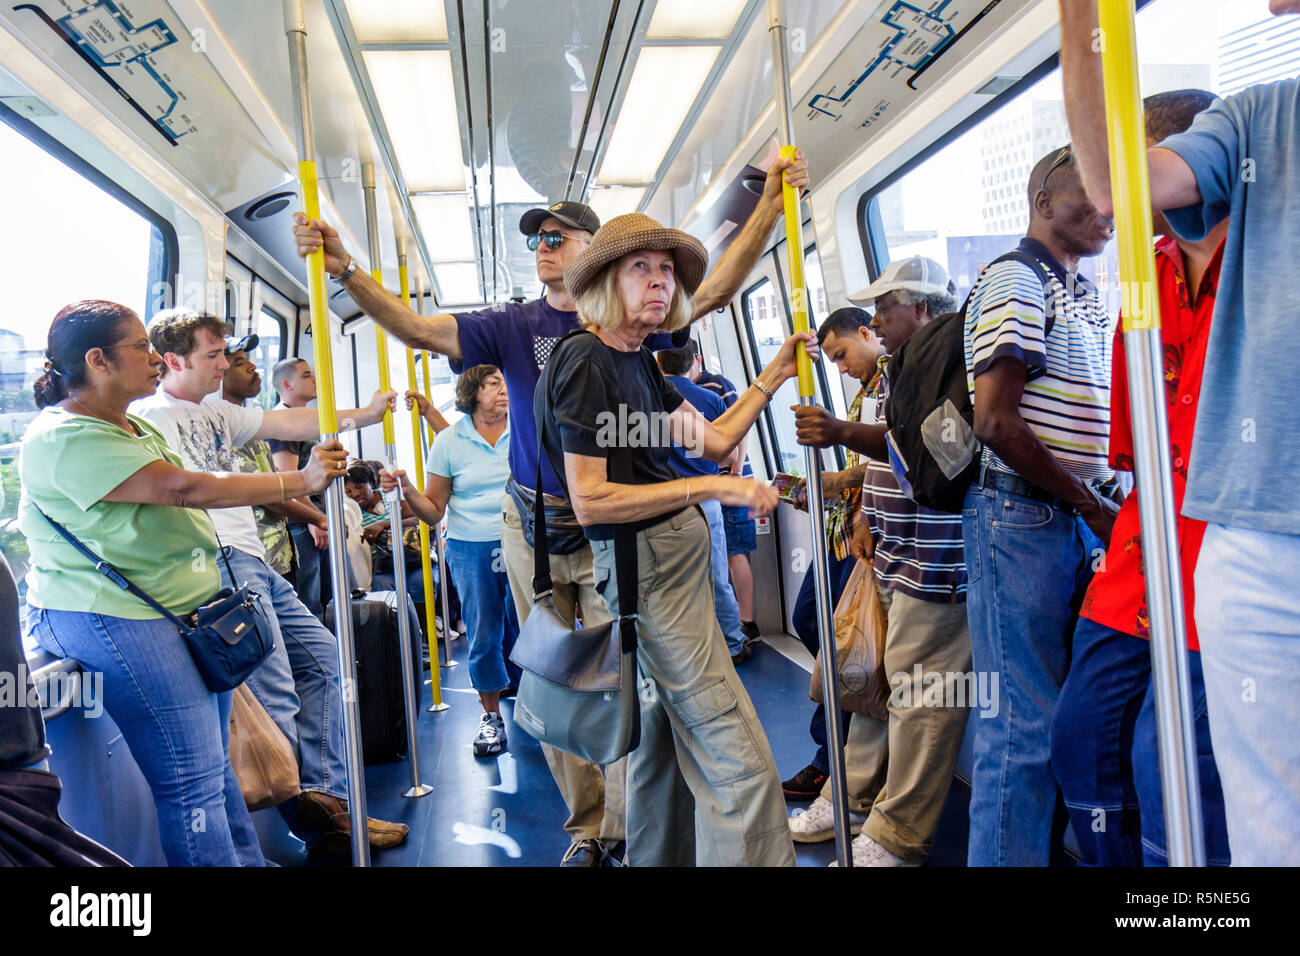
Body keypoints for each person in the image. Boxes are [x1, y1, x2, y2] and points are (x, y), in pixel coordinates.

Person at [293, 151, 809, 866]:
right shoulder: (518, 330)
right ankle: (588, 829)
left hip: (616, 539)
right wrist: (347, 269)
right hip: (540, 519)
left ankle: (628, 830)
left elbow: (714, 293)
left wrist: (769, 214)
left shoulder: (633, 342)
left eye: (556, 236)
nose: (542, 248)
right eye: (536, 239)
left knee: (624, 686)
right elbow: (414, 330)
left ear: (589, 255)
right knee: (560, 672)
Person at [1059, 0, 1300, 860]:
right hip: (1187, 548)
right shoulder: (1260, 121)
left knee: (1185, 786)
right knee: (1095, 753)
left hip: (1217, 546)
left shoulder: (1252, 256)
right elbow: (1116, 184)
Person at [538, 211, 818, 867]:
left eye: (667, 271)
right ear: (607, 281)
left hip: (668, 570)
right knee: (735, 752)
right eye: (643, 268)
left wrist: (772, 375)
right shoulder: (587, 362)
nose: (660, 282)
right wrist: (713, 490)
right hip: (650, 573)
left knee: (660, 748)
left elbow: (715, 441)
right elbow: (592, 498)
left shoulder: (639, 366)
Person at [18, 300, 339, 865]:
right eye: (140, 347)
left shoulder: (132, 424)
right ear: (98, 360)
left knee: (213, 771)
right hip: (118, 615)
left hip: (177, 611)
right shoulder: (65, 435)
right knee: (192, 784)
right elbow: (184, 489)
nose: (152, 359)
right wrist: (302, 479)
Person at [132, 308, 408, 854]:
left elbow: (290, 424)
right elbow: (194, 487)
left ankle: (328, 801)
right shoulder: (151, 418)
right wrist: (301, 481)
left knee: (326, 659)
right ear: (173, 360)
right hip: (216, 559)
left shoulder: (215, 409)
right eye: (212, 356)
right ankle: (315, 822)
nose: (224, 365)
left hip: (253, 559)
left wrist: (366, 416)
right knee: (276, 693)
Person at [1049, 89, 1231, 868]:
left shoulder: (1265, 270)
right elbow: (1132, 452)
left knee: (1174, 773)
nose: (1111, 202)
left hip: (1220, 559)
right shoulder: (1142, 284)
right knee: (1079, 741)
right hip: (1140, 554)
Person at [960, 143, 1119, 866]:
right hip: (1023, 519)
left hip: (1071, 515)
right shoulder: (1016, 281)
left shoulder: (1083, 291)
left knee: (1067, 721)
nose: (1108, 208)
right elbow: (995, 422)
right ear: (1044, 201)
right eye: (1091, 191)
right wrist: (1088, 502)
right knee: (1021, 726)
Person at [794, 258, 972, 867]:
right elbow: (890, 464)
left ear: (920, 308)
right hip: (890, 554)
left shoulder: (960, 361)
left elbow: (946, 456)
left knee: (925, 698)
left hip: (936, 560)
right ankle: (850, 796)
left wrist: (841, 433)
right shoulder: (898, 374)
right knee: (870, 685)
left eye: (883, 309)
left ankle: (898, 835)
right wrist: (868, 510)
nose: (875, 323)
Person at [382, 365, 521, 758]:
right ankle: (492, 717)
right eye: (493, 384)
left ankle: (539, 706)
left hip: (524, 540)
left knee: (532, 624)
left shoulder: (524, 426)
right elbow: (433, 512)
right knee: (483, 630)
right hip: (471, 545)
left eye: (504, 381)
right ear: (472, 393)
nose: (503, 389)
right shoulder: (448, 441)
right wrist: (407, 489)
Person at [778, 307, 880, 801]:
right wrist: (823, 488)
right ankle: (837, 740)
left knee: (842, 646)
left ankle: (831, 760)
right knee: (809, 621)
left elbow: (899, 456)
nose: (840, 367)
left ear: (867, 334)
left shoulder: (891, 386)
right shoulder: (866, 393)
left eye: (841, 355)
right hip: (841, 531)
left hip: (865, 536)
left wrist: (842, 480)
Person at [655, 345, 749, 664]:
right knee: (717, 575)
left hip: (661, 502)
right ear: (695, 362)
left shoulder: (645, 399)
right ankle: (733, 645)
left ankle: (681, 650)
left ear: (657, 362)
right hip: (706, 501)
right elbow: (730, 454)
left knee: (669, 581)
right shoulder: (711, 400)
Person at [221, 336, 321, 588]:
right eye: (239, 363)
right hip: (257, 554)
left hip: (279, 549)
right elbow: (270, 493)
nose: (252, 367)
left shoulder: (251, 424)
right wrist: (318, 518)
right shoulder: (225, 431)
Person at [683, 340, 760, 640]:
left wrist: (736, 472)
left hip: (732, 480)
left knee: (734, 552)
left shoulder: (716, 386)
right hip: (712, 482)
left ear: (697, 360)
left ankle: (746, 621)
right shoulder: (681, 394)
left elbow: (741, 428)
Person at [266, 357, 331, 618]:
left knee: (328, 595)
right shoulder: (284, 423)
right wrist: (313, 520)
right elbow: (289, 476)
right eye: (306, 375)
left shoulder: (299, 420)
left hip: (313, 517)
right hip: (301, 524)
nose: (314, 379)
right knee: (309, 601)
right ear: (286, 384)